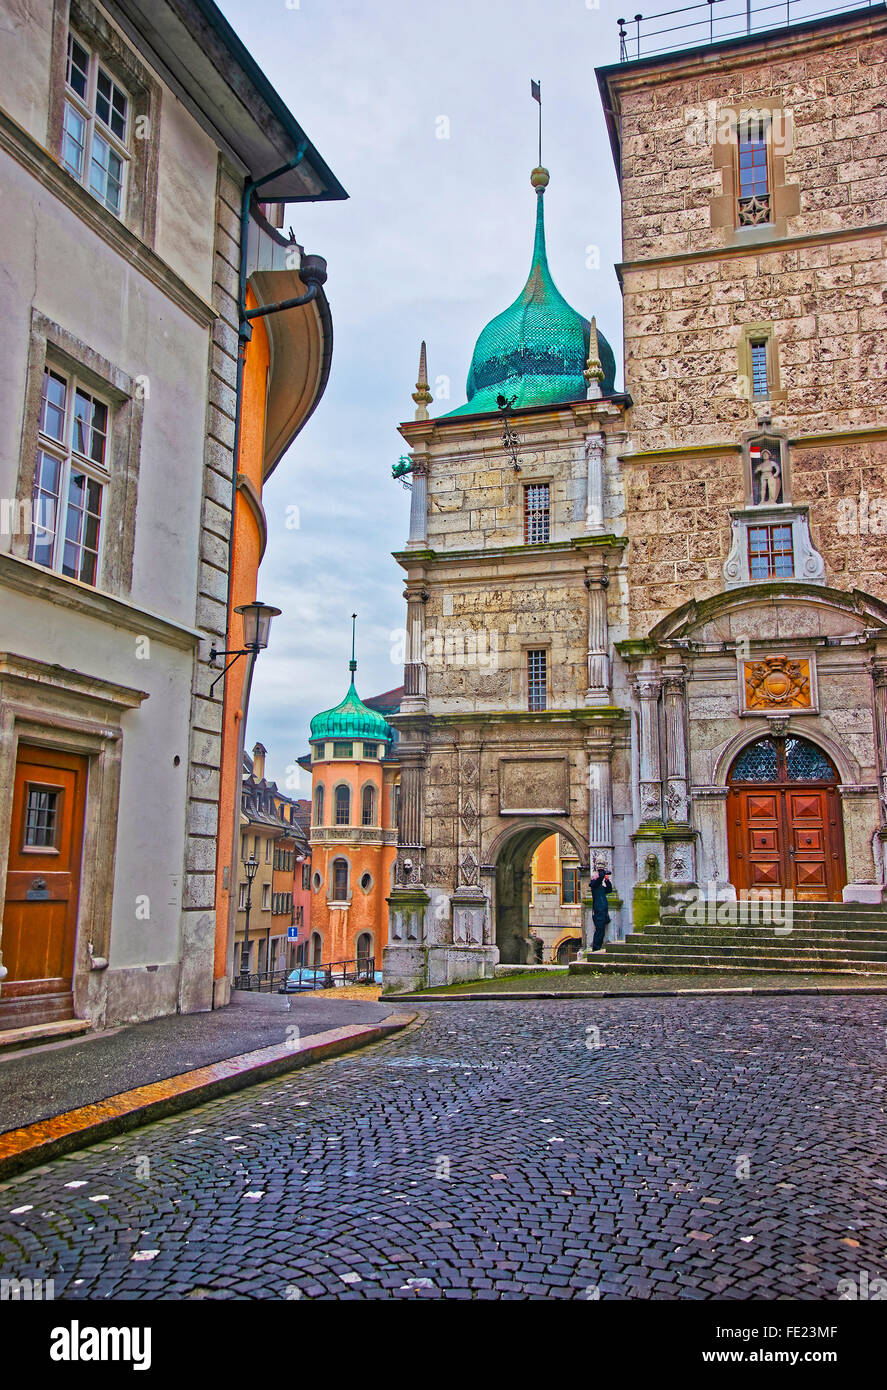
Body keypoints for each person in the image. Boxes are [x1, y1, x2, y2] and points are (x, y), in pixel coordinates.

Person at [590, 865, 613, 953]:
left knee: (601, 931)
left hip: (603, 911)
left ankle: (598, 947)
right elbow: (598, 880)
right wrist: (601, 874)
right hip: (598, 911)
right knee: (599, 930)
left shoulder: (601, 888)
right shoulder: (594, 886)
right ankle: (596, 948)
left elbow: (609, 889)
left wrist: (607, 880)